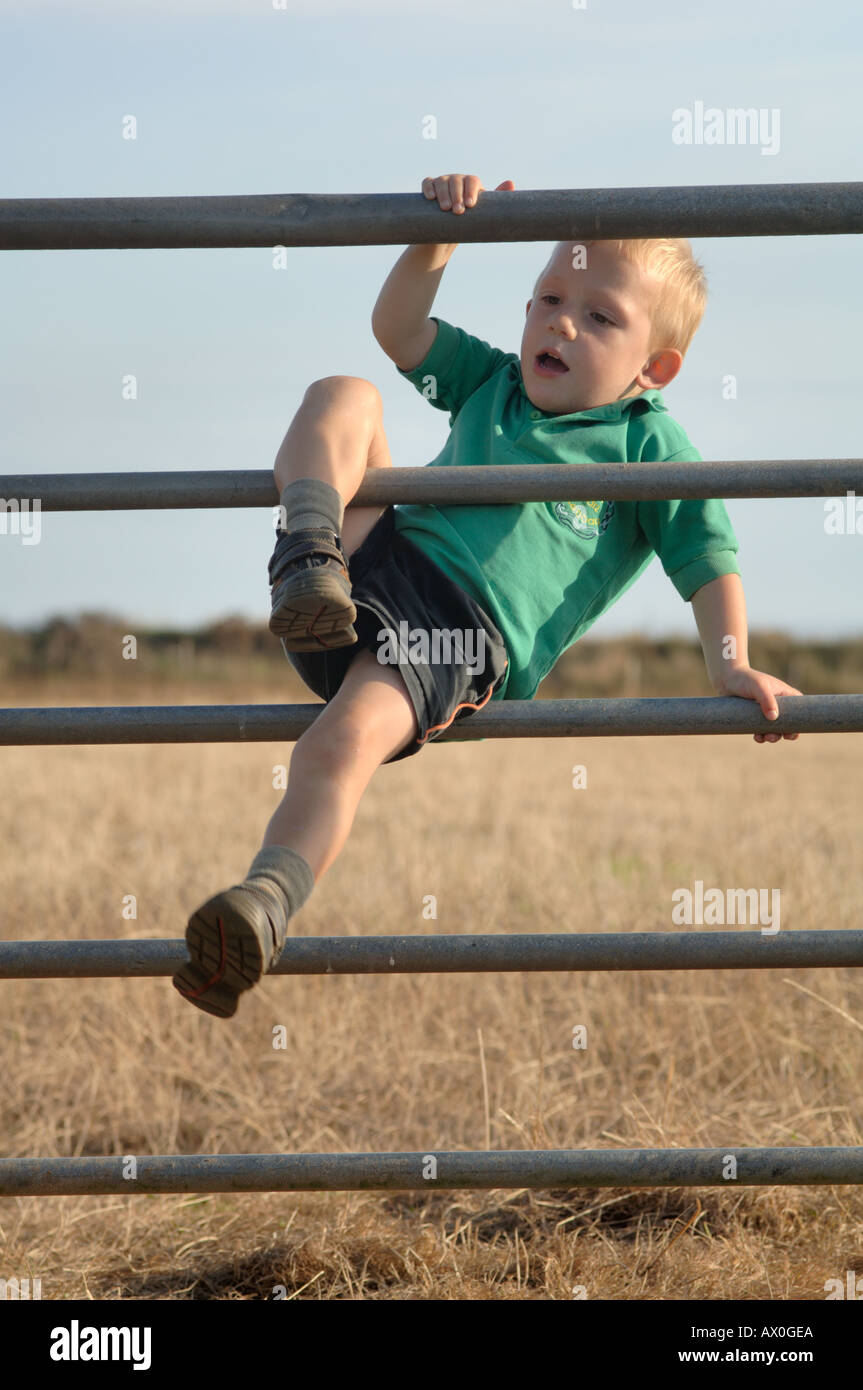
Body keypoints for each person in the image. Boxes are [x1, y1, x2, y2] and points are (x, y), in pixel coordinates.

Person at [172, 173, 801, 1019]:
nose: (560, 321)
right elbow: (396, 331)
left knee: (333, 747)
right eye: (547, 296)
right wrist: (436, 237)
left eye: (599, 315)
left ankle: (262, 905)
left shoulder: (647, 443)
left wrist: (733, 663)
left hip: (456, 631)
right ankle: (306, 557)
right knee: (343, 394)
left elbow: (706, 557)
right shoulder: (491, 382)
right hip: (359, 570)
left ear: (654, 367)